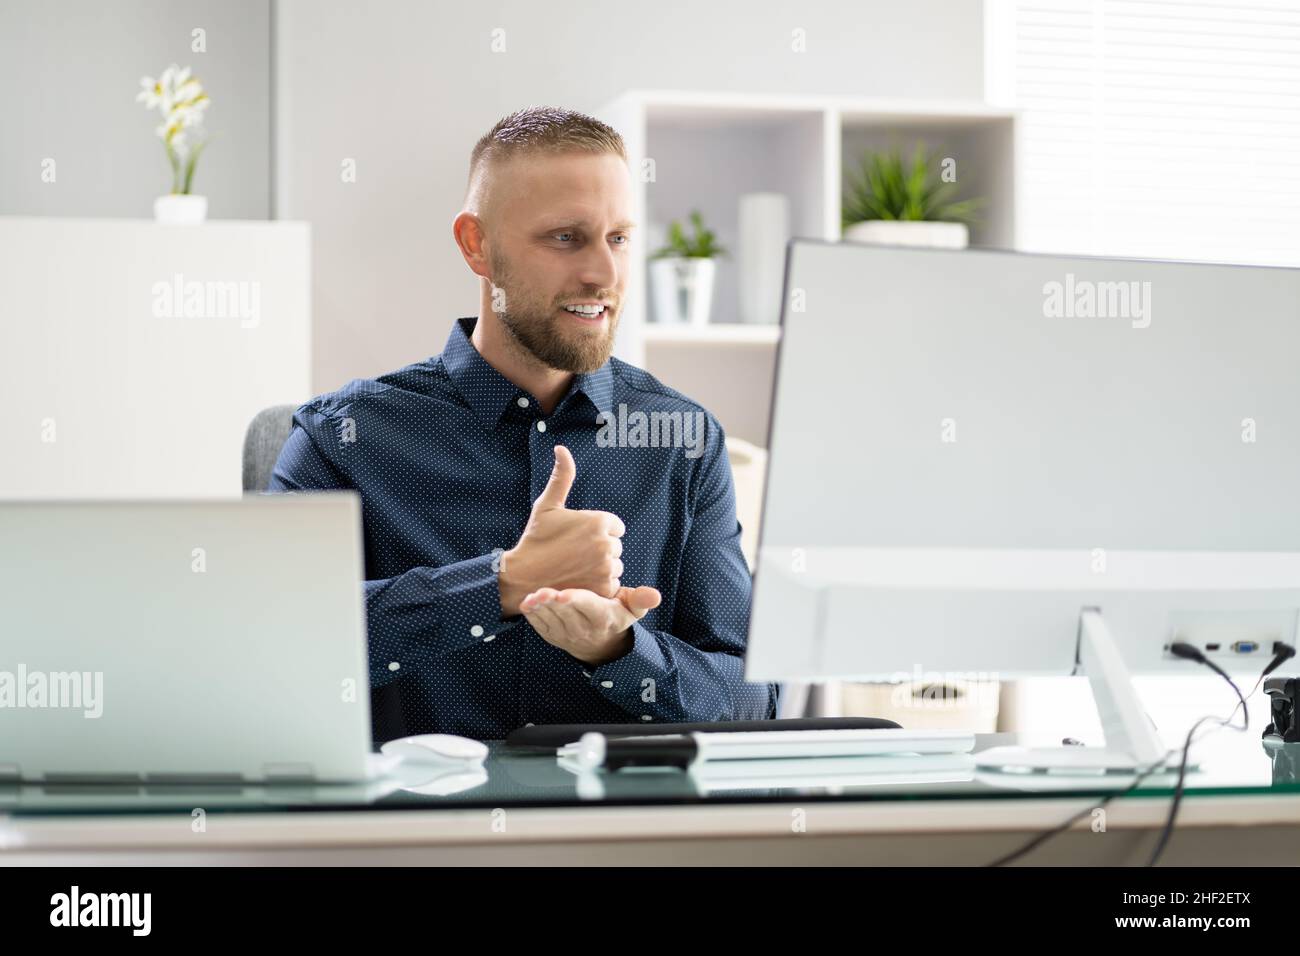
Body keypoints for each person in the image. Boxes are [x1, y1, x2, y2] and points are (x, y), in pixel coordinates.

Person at [268, 106, 778, 741]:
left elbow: (757, 700)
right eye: (566, 237)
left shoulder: (683, 441)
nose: (605, 274)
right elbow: (273, 654)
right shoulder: (344, 437)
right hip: (423, 833)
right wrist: (501, 584)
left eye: (618, 238)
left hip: (629, 834)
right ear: (476, 245)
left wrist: (620, 652)